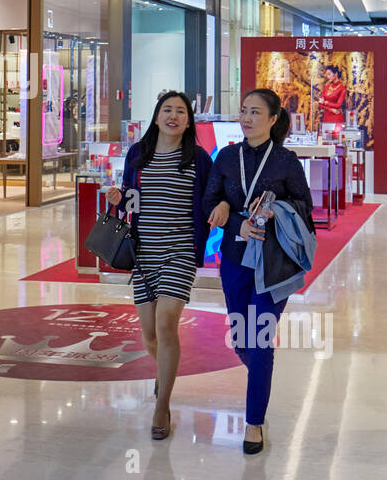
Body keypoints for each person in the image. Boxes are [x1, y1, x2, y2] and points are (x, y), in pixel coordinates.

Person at [202, 89, 314, 455]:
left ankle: (254, 423)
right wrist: (229, 214)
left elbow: (305, 207)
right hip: (234, 259)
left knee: (261, 339)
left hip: (273, 263)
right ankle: (259, 377)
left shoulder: (286, 160)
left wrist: (273, 208)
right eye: (243, 111)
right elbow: (209, 198)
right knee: (241, 339)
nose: (247, 118)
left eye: (255, 112)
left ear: (272, 118)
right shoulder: (228, 156)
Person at [105, 92, 214, 442]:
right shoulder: (138, 153)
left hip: (180, 251)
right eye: (167, 110)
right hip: (143, 253)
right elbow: (128, 195)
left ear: (188, 121)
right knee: (150, 334)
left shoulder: (198, 158)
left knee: (167, 326)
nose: (173, 116)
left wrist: (222, 209)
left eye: (181, 111)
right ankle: (162, 373)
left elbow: (211, 197)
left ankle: (162, 406)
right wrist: (117, 199)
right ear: (156, 117)